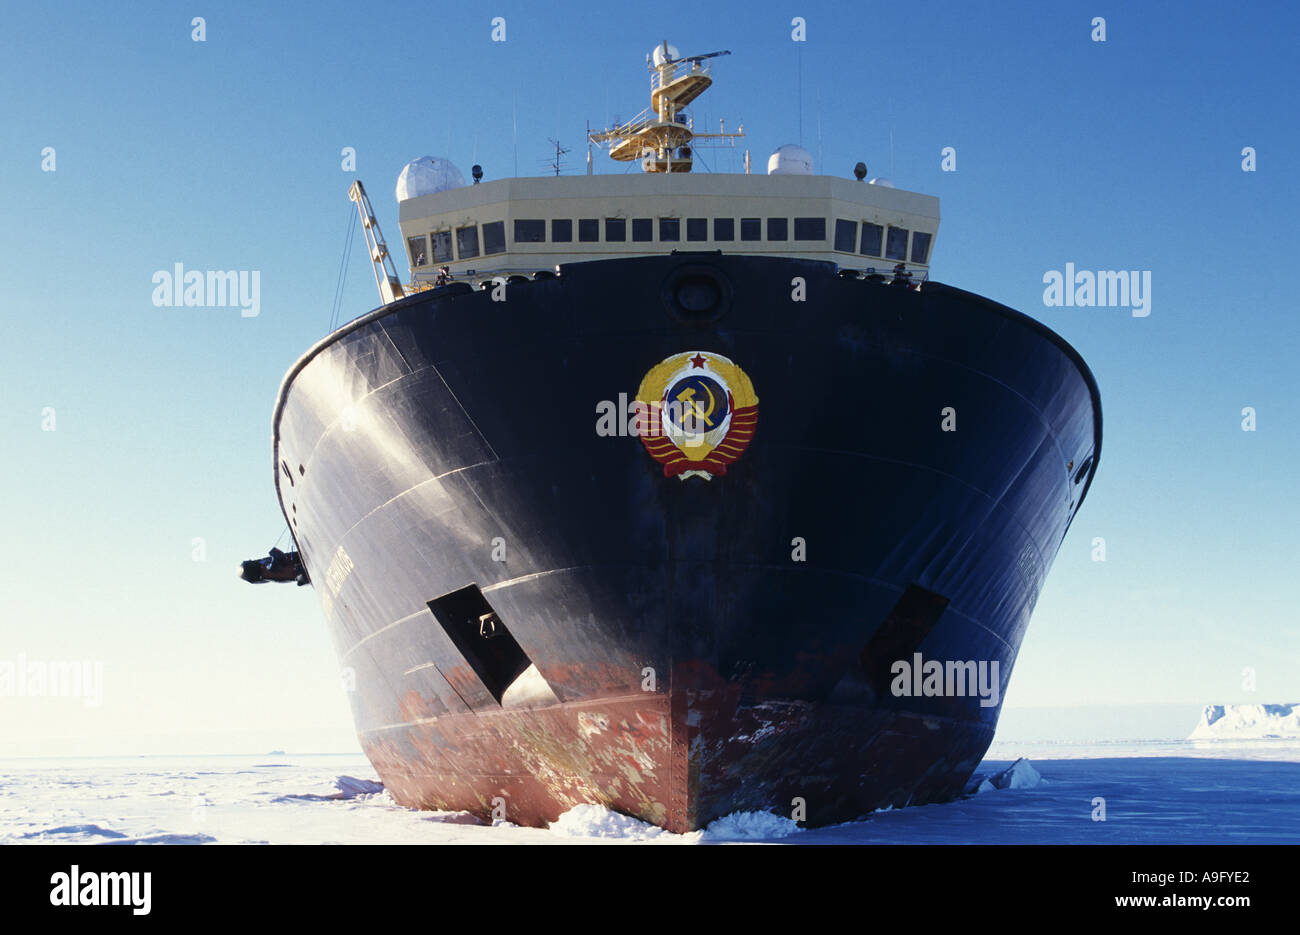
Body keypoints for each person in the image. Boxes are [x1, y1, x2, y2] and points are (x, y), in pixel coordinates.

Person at [239, 547, 309, 586]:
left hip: (298, 560)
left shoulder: (263, 564)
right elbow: (279, 560)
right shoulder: (267, 572)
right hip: (300, 571)